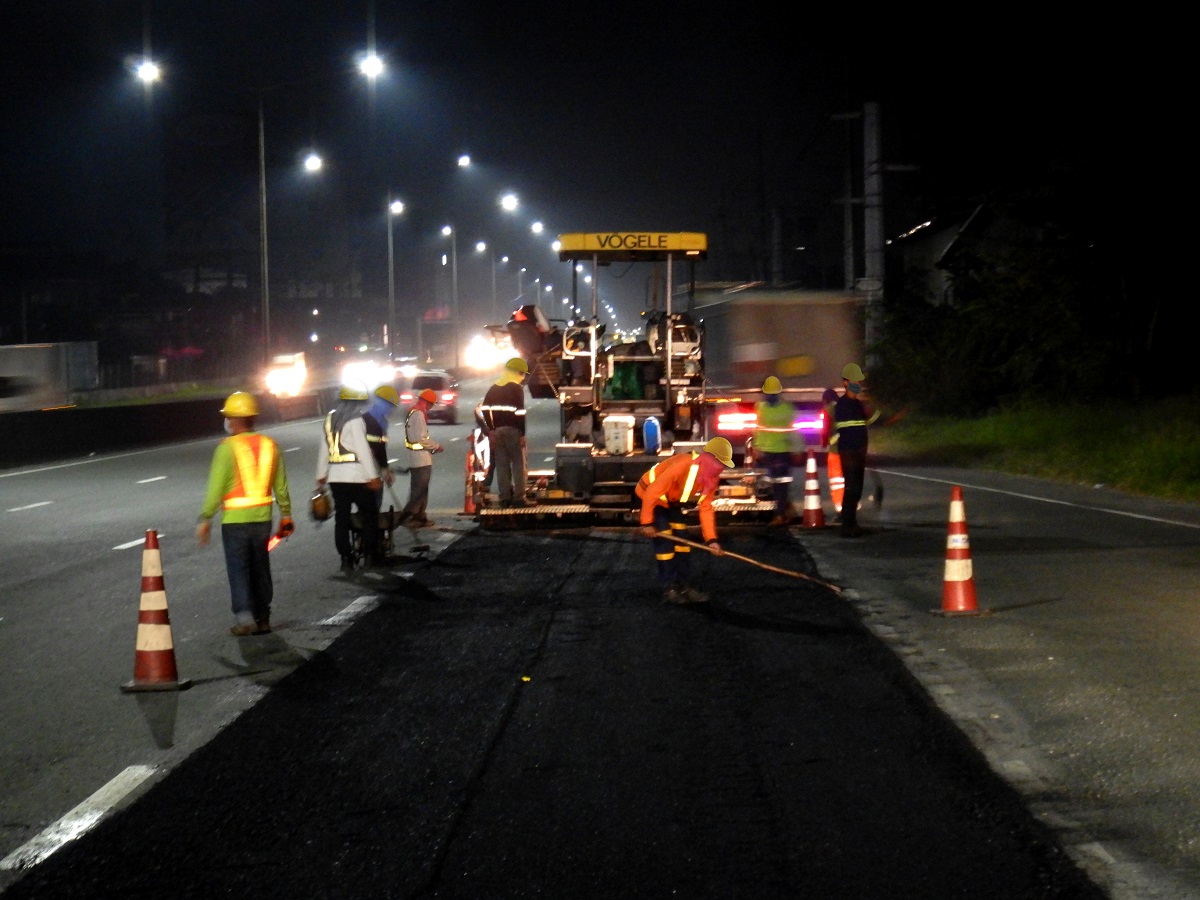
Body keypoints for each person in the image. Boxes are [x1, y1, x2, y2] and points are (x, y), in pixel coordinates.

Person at [196, 391, 293, 636]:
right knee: (260, 566)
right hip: (262, 520)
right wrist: (286, 515)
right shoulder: (271, 445)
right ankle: (263, 618)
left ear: (235, 419)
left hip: (235, 523)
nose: (226, 420)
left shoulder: (226, 448)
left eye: (228, 416)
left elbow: (215, 487)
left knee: (238, 567)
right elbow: (280, 485)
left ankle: (244, 616)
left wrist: (206, 517)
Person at [636, 436, 734, 604]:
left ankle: (684, 586)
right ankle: (669, 588)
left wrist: (711, 540)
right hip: (650, 497)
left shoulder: (712, 477)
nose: (721, 469)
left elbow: (706, 508)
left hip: (671, 502)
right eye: (721, 464)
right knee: (665, 544)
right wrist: (647, 523)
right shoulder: (684, 464)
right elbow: (652, 492)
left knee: (682, 542)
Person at [316, 385, 383, 573]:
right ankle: (370, 555)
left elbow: (324, 449)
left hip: (336, 479)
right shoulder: (355, 420)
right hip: (358, 477)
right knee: (369, 515)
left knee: (342, 519)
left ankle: (346, 558)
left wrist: (320, 475)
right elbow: (362, 450)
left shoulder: (329, 420)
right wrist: (373, 477)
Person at [830, 363, 880, 537]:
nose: (858, 384)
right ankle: (847, 525)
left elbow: (867, 421)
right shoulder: (843, 405)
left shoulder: (858, 404)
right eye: (854, 381)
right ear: (845, 383)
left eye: (859, 381)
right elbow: (846, 430)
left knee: (856, 488)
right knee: (851, 488)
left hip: (859, 451)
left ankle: (852, 524)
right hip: (849, 452)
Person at [480, 356, 535, 508]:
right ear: (517, 372)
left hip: (497, 431)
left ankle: (505, 498)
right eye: (522, 374)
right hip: (513, 430)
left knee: (502, 465)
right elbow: (520, 412)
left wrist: (491, 428)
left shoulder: (494, 387)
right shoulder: (516, 388)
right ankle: (519, 498)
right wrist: (522, 434)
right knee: (518, 464)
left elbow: (484, 408)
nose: (523, 378)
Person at [754, 375, 797, 526]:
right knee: (780, 485)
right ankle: (785, 510)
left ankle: (780, 514)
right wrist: (797, 449)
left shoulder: (760, 407)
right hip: (781, 451)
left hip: (770, 451)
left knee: (774, 484)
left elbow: (759, 429)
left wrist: (756, 447)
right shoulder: (787, 408)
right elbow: (793, 430)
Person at [398, 387, 443, 528]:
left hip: (419, 458)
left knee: (422, 490)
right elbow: (420, 438)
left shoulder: (414, 412)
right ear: (427, 402)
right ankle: (407, 517)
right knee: (418, 491)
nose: (430, 408)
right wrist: (436, 446)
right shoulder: (418, 414)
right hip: (420, 459)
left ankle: (420, 517)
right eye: (430, 405)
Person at [363, 384, 401, 507]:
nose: (391, 410)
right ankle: (370, 523)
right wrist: (385, 469)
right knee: (373, 499)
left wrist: (386, 468)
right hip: (369, 468)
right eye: (390, 406)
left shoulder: (375, 420)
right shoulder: (374, 422)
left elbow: (381, 447)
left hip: (369, 466)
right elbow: (378, 448)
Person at [820, 386, 845, 517]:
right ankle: (851, 503)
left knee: (837, 479)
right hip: (851, 448)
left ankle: (840, 506)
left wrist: (823, 443)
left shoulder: (828, 410)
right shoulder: (846, 407)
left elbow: (825, 429)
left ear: (825, 400)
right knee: (850, 477)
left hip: (836, 450)